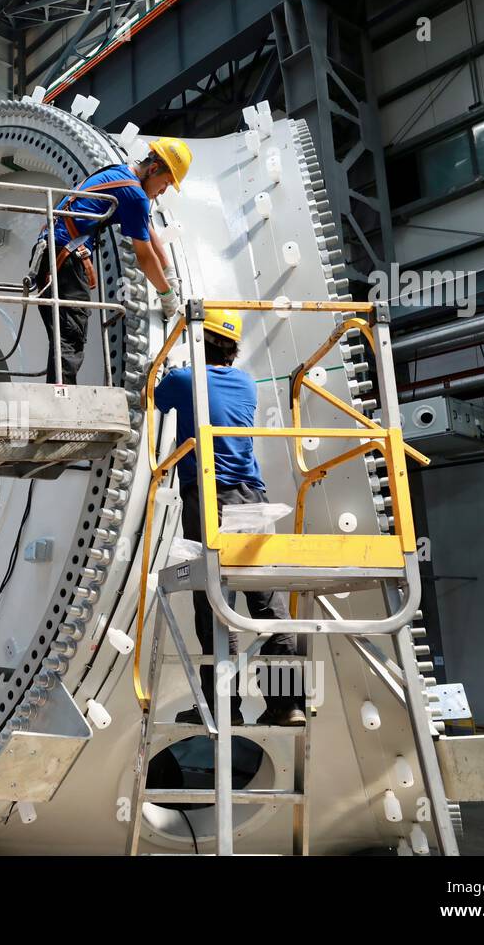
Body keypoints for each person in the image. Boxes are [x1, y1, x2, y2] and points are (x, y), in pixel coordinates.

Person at [153, 308, 304, 726]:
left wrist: (169, 367)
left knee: (215, 605)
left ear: (199, 342)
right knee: (268, 605)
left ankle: (223, 709)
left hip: (208, 499)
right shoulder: (247, 383)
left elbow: (154, 396)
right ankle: (287, 705)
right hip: (253, 498)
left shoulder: (185, 381)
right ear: (234, 348)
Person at [27, 137, 192, 384]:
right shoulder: (135, 194)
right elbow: (144, 256)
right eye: (165, 183)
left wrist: (168, 269)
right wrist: (167, 295)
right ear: (154, 168)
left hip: (50, 255)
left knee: (65, 335)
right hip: (66, 261)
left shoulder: (121, 174)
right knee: (70, 335)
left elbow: (147, 227)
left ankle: (59, 393)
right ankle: (62, 400)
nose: (163, 191)